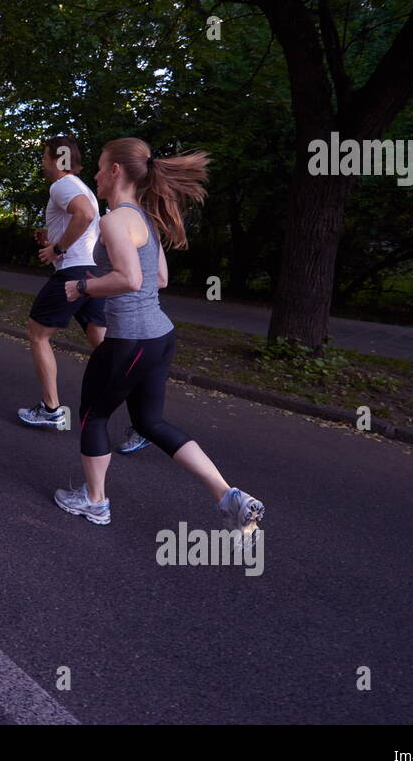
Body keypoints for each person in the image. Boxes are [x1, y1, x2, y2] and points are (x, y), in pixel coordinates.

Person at [51, 138, 265, 540]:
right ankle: (228, 495)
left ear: (116, 170)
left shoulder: (114, 220)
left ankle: (95, 502)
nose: (95, 175)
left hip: (129, 341)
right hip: (160, 336)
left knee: (93, 416)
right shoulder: (144, 218)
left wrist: (82, 287)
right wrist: (101, 281)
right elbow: (159, 279)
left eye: (99, 167)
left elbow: (131, 279)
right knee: (150, 422)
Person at [17, 136, 106, 430]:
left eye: (45, 157)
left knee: (38, 333)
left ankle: (51, 410)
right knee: (105, 348)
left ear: (59, 160)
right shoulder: (83, 188)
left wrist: (58, 249)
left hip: (72, 272)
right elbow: (84, 220)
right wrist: (53, 240)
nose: (42, 163)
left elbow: (86, 215)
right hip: (92, 272)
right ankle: (141, 414)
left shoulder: (63, 185)